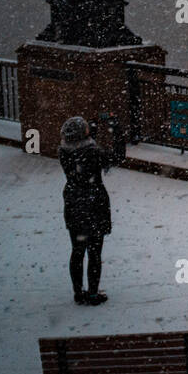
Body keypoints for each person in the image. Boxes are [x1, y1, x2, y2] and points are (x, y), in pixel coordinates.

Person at [59, 116, 112, 304]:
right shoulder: (94, 152)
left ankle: (78, 292)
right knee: (95, 252)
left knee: (77, 251)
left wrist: (92, 130)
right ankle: (92, 293)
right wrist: (116, 129)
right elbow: (115, 156)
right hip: (94, 203)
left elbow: (81, 154)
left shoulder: (64, 152)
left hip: (74, 202)